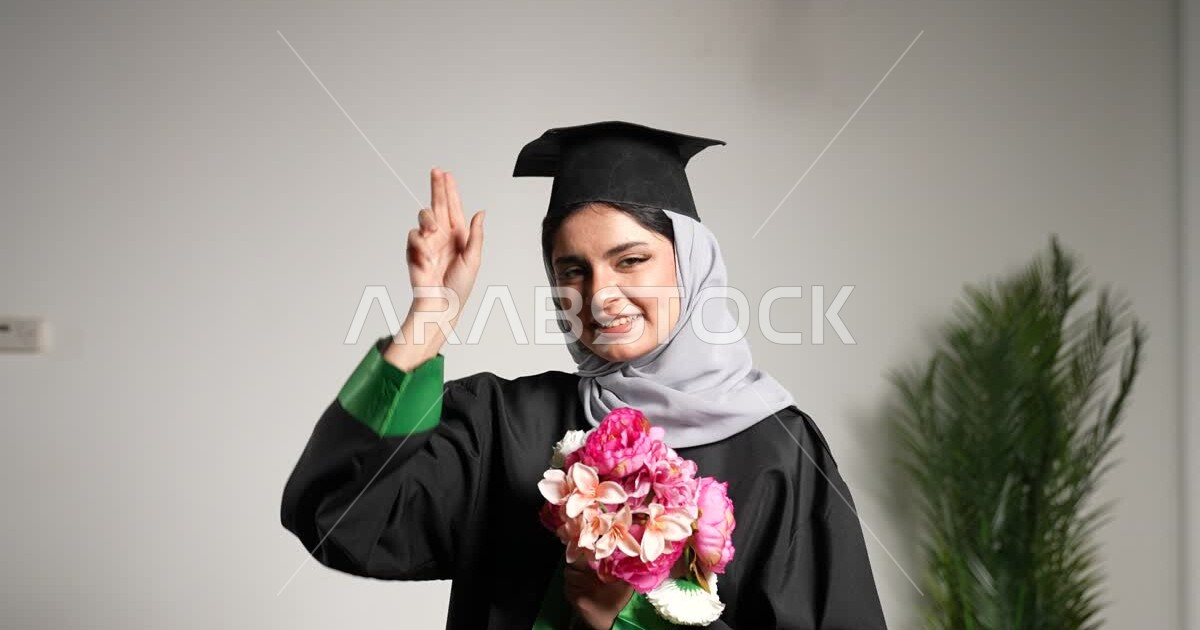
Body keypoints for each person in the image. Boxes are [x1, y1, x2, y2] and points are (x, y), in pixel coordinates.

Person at [280, 121, 888, 629]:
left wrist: (631, 615)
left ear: (691, 263)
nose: (599, 295)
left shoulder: (781, 450)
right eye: (572, 270)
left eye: (632, 260)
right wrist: (428, 323)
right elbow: (338, 517)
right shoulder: (503, 425)